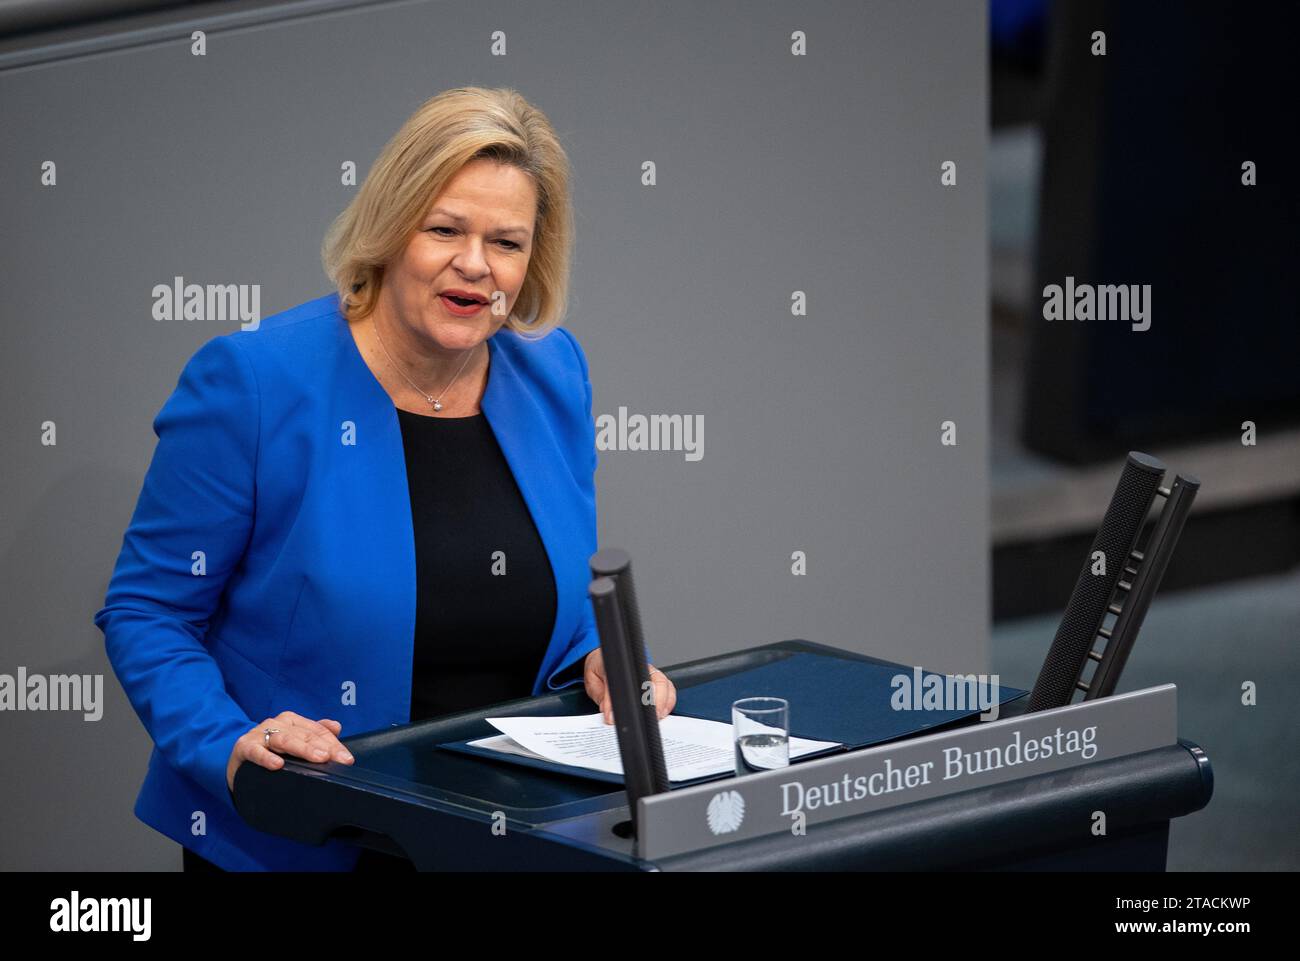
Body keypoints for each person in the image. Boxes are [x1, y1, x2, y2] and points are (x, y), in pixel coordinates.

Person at [94, 86, 677, 872]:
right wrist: (227, 742)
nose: (475, 264)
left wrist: (596, 663)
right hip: (304, 840)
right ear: (390, 227)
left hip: (505, 841)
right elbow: (147, 609)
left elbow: (552, 599)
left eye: (506, 241)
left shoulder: (553, 372)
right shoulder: (255, 382)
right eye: (444, 230)